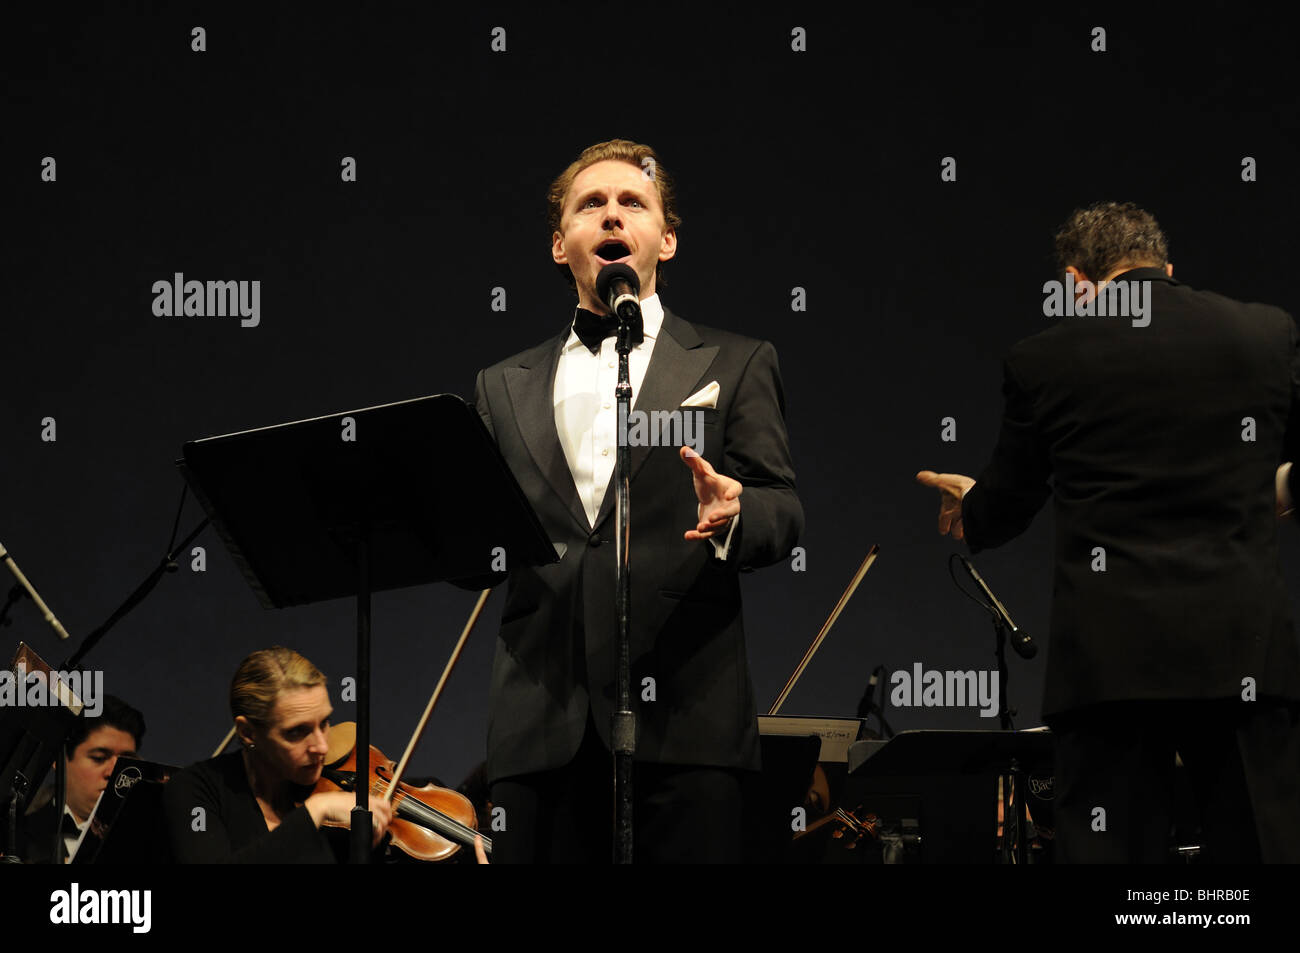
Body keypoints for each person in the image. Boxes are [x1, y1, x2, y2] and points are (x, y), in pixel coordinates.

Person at [917, 201, 1300, 863]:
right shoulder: (1265, 335)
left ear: (1075, 283)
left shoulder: (1043, 359)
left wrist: (972, 504)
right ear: (1167, 269)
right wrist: (1281, 490)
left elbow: (1009, 503)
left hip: (1110, 666)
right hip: (1244, 654)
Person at [465, 139, 803, 862]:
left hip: (688, 725)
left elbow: (784, 508)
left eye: (633, 202)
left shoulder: (736, 361)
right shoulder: (500, 384)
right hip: (540, 732)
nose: (612, 213)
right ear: (561, 245)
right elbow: (476, 544)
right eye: (591, 204)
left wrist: (737, 514)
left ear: (667, 239)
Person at [164, 646, 392, 863]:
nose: (322, 747)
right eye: (296, 732)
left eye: (324, 724)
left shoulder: (339, 797)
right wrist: (316, 810)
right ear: (248, 733)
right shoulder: (194, 790)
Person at [17, 694, 145, 864]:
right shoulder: (16, 838)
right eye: (99, 758)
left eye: (126, 762)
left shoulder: (152, 837)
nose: (115, 772)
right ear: (59, 760)